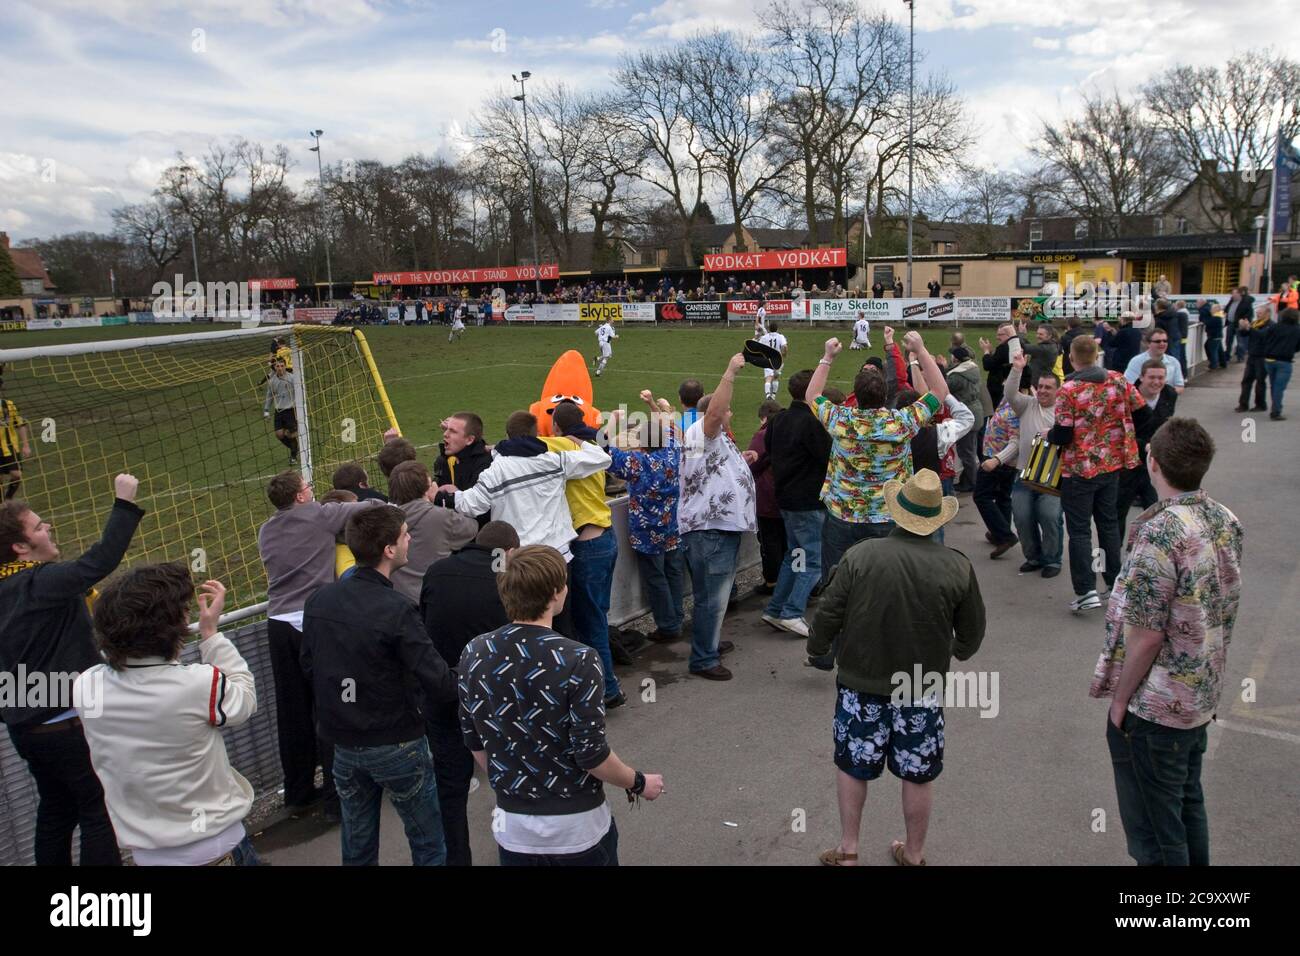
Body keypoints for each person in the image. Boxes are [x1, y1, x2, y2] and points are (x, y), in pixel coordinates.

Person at [807, 468, 985, 867]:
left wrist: (819, 648)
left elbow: (828, 614)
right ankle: (914, 853)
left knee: (853, 764)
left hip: (860, 682)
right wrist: (957, 650)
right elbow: (972, 633)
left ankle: (849, 849)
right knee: (918, 772)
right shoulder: (956, 566)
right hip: (920, 687)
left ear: (895, 513)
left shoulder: (860, 556)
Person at [1092, 418, 1242, 866]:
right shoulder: (1223, 518)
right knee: (1187, 806)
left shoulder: (1161, 533)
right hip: (1199, 695)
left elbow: (1147, 634)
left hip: (1156, 706)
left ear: (1151, 462)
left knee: (1156, 837)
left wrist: (1119, 704)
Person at [458, 545, 665, 865]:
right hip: (577, 829)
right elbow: (592, 755)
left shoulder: (475, 652)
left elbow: (473, 737)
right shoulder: (579, 660)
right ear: (555, 594)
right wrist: (638, 782)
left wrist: (517, 781)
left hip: (514, 829)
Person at [302, 505, 458, 865]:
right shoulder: (397, 609)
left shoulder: (320, 600)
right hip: (396, 742)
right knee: (429, 844)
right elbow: (438, 681)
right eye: (405, 534)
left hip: (344, 741)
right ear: (389, 549)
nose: (409, 539)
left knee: (357, 845)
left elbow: (311, 665)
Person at [0, 474, 143, 866]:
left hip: (24, 726)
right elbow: (99, 561)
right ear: (20, 547)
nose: (48, 528)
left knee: (57, 808)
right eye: (39, 526)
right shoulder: (39, 583)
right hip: (64, 723)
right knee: (97, 810)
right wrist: (124, 503)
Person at [76, 570, 260, 865]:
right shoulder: (199, 684)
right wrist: (211, 636)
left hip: (148, 855)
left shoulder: (87, 685)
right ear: (172, 627)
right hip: (216, 847)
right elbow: (244, 700)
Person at [257, 469, 380, 813]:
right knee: (328, 706)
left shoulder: (266, 529)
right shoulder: (319, 515)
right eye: (308, 487)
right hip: (313, 620)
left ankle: (296, 791)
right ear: (299, 496)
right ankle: (335, 797)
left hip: (278, 623)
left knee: (291, 710)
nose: (312, 491)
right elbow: (366, 508)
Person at [807, 332, 949, 584]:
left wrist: (827, 357)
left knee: (839, 582)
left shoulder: (840, 419)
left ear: (856, 396)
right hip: (888, 515)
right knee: (886, 583)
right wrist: (921, 350)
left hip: (843, 514)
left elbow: (812, 395)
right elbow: (939, 391)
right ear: (885, 395)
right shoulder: (902, 422)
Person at [419, 520, 518, 866]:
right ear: (507, 553)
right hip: (493, 696)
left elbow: (426, 623)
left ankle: (456, 858)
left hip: (445, 690)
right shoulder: (505, 580)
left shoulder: (437, 572)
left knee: (450, 787)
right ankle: (520, 844)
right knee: (511, 774)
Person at [1048, 335, 1144, 613]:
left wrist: (1050, 435)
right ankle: (1114, 581)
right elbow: (1141, 410)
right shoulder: (1117, 379)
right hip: (1112, 464)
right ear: (1097, 354)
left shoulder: (1069, 389)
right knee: (1108, 525)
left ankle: (1085, 589)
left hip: (1079, 469)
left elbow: (1063, 433)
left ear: (1071, 357)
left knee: (1079, 531)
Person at [678, 354, 757, 681]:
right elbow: (712, 412)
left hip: (715, 530)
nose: (730, 413)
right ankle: (703, 659)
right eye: (726, 410)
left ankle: (708, 642)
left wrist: (744, 464)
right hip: (710, 532)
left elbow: (715, 472)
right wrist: (730, 373)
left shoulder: (715, 438)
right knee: (711, 598)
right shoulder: (701, 432)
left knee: (712, 597)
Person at [542, 401, 624, 707]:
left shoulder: (560, 446)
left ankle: (607, 690)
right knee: (597, 618)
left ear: (557, 427)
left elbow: (518, 445)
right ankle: (604, 685)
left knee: (590, 624)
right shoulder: (593, 443)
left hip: (588, 545)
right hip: (605, 537)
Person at [607, 390, 686, 643]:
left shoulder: (638, 463)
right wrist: (656, 406)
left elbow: (604, 452)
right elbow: (670, 427)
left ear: (641, 445)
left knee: (656, 577)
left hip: (647, 532)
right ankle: (677, 616)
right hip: (673, 525)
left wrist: (613, 420)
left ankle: (668, 625)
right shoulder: (674, 451)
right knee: (673, 570)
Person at [760, 369, 832, 637]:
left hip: (787, 498)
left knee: (796, 554)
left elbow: (769, 449)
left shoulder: (778, 420)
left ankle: (777, 608)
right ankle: (792, 611)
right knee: (812, 559)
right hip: (808, 501)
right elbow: (827, 456)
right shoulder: (812, 423)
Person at [1004, 351, 1062, 577]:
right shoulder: (1027, 405)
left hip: (1052, 476)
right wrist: (1017, 369)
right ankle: (1033, 557)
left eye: (1049, 387)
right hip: (1024, 474)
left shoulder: (1064, 412)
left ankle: (1052, 560)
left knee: (1049, 516)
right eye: (1041, 387)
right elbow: (1010, 393)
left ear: (1058, 390)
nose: (1044, 391)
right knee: (1021, 516)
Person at [386, 460, 478, 603]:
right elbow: (472, 527)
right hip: (434, 598)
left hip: (397, 599)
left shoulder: (384, 520)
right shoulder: (440, 516)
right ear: (425, 487)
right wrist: (448, 498)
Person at [1115, 360, 1178, 544]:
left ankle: (1151, 555)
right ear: (1141, 377)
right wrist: (1145, 445)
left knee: (1157, 512)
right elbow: (1118, 432)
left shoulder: (1170, 394)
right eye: (1152, 377)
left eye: (1161, 377)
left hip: (1155, 465)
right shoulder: (1125, 397)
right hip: (1127, 465)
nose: (1156, 382)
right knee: (1117, 512)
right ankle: (1112, 562)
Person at [974, 395, 1020, 558]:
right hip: (999, 459)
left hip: (998, 460)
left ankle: (1005, 536)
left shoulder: (1017, 408)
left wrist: (996, 460)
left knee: (981, 497)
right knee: (1003, 497)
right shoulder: (1008, 399)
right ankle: (1000, 533)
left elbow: (1016, 442)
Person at [748, 399, 785, 595]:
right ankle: (788, 578)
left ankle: (772, 581)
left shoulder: (763, 435)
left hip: (768, 495)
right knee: (786, 540)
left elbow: (753, 463)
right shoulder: (789, 431)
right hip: (787, 494)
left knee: (770, 541)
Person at [432, 412, 491, 509]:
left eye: (453, 431)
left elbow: (479, 507)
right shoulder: (443, 461)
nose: (445, 434)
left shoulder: (485, 465)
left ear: (469, 440)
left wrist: (455, 494)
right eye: (446, 429)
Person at [946, 346, 985, 493]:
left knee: (965, 452)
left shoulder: (957, 375)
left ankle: (972, 483)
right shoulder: (972, 369)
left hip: (966, 413)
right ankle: (967, 479)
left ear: (956, 359)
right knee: (970, 449)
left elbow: (945, 386)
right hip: (976, 411)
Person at [1234, 305, 1274, 413]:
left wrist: (1250, 328)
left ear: (1267, 314)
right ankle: (1243, 404)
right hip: (1252, 355)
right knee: (1246, 380)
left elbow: (1262, 336)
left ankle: (1260, 404)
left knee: (1260, 381)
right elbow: (1245, 334)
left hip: (1262, 356)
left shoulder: (1270, 325)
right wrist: (1243, 328)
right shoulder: (1255, 323)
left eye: (1260, 313)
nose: (1258, 314)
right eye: (1257, 313)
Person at [1123, 328, 1185, 394]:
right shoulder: (1136, 361)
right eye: (1158, 341)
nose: (1162, 343)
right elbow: (1127, 385)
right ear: (1148, 343)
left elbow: (1180, 386)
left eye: (1165, 341)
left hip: (1165, 403)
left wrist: (1166, 396)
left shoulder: (1174, 362)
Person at [1263, 307, 1299, 420]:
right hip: (1285, 360)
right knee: (1279, 387)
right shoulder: (1297, 329)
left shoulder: (1274, 327)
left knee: (1274, 385)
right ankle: (1276, 411)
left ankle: (1276, 407)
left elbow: (1265, 338)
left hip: (1269, 359)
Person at [262, 358, 300, 464]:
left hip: (290, 410)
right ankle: (295, 449)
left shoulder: (292, 378)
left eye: (282, 366)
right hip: (278, 411)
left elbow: (300, 392)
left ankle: (293, 456)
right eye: (277, 366)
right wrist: (266, 410)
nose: (280, 368)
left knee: (291, 434)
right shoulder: (272, 381)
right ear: (274, 367)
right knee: (279, 435)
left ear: (285, 366)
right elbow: (269, 395)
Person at [0, 387, 31, 501]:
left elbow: (21, 424)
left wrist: (26, 445)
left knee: (17, 475)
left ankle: (8, 499)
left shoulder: (9, 405)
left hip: (10, 447)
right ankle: (2, 506)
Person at [978, 323, 1015, 410]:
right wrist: (991, 353)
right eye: (997, 334)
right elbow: (997, 362)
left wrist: (986, 351)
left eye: (1000, 335)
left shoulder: (1004, 348)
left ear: (1009, 334)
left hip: (999, 388)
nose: (997, 337)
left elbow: (987, 365)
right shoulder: (1011, 346)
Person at [759, 321, 789, 400]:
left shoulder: (764, 337)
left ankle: (768, 395)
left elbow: (759, 347)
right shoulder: (781, 336)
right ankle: (774, 395)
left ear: (769, 329)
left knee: (768, 378)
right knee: (775, 378)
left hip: (768, 360)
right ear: (777, 329)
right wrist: (784, 355)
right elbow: (785, 347)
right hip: (778, 360)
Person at [1226, 286, 1254, 361]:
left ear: (1239, 294)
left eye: (1234, 293)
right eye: (1232, 293)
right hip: (1230, 323)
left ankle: (1240, 357)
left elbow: (1250, 313)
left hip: (1239, 324)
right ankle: (1227, 356)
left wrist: (1244, 320)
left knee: (1240, 341)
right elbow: (1226, 309)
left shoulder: (1245, 302)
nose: (1233, 295)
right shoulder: (1231, 301)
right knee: (1228, 341)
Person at [1202, 303, 1225, 370]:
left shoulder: (1216, 317)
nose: (1210, 310)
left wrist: (1204, 320)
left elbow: (1208, 322)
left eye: (1212, 309)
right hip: (1217, 336)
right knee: (1219, 350)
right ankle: (1223, 363)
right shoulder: (1218, 316)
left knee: (1212, 350)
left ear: (1215, 310)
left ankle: (1213, 365)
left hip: (1214, 336)